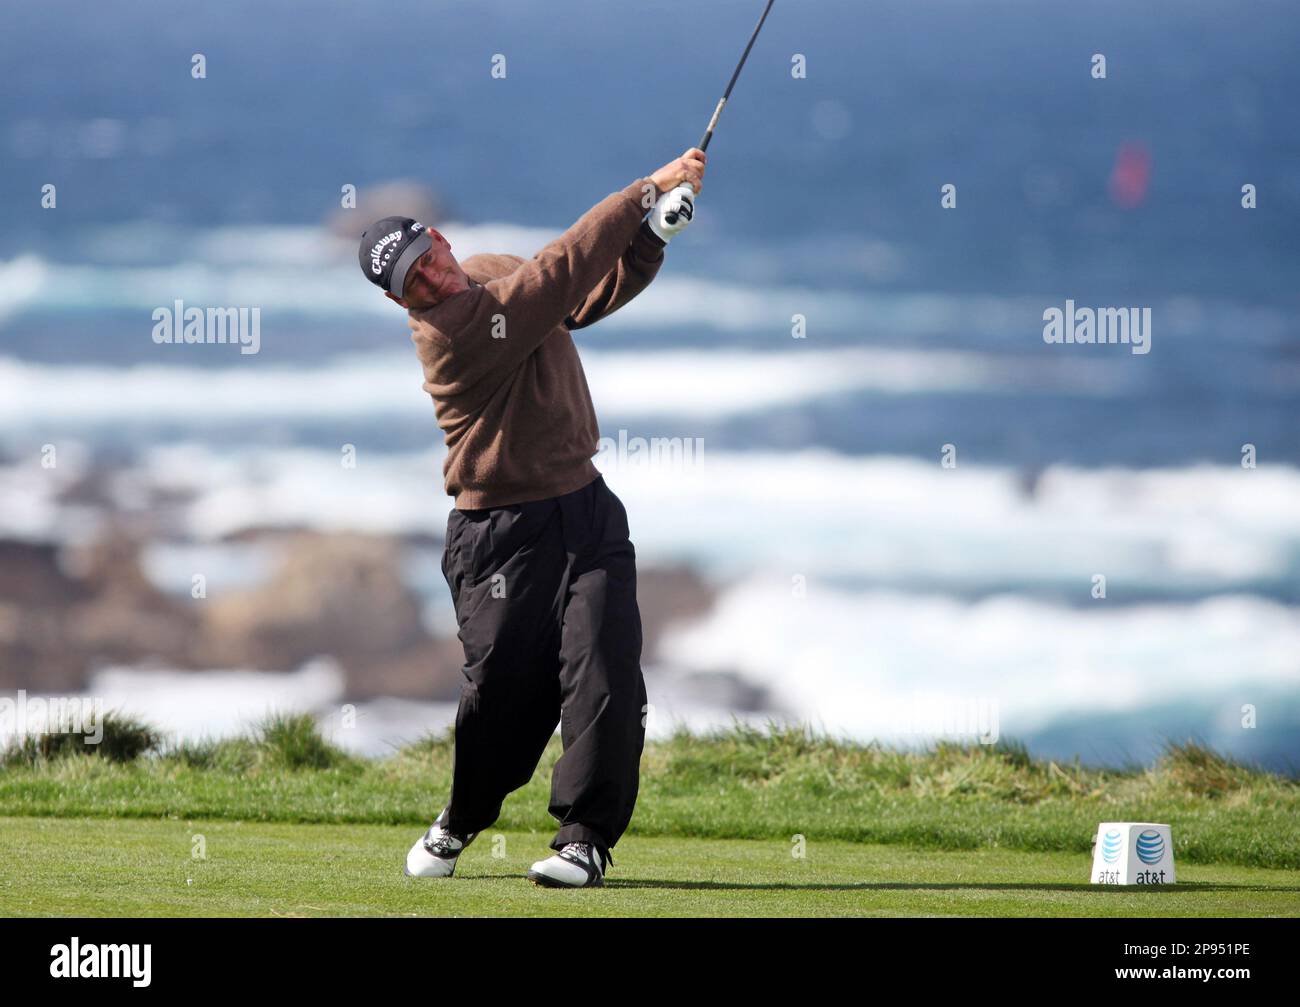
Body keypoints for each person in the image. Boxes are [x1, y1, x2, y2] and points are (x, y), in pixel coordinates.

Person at [357, 149, 706, 887]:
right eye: (410, 282)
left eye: (426, 259)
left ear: (440, 240)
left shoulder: (489, 270)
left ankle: (584, 838)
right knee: (504, 701)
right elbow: (559, 274)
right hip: (499, 538)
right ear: (399, 301)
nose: (428, 278)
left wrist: (650, 241)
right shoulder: (450, 330)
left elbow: (580, 300)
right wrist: (647, 189)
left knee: (604, 665)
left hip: (584, 507)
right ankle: (460, 820)